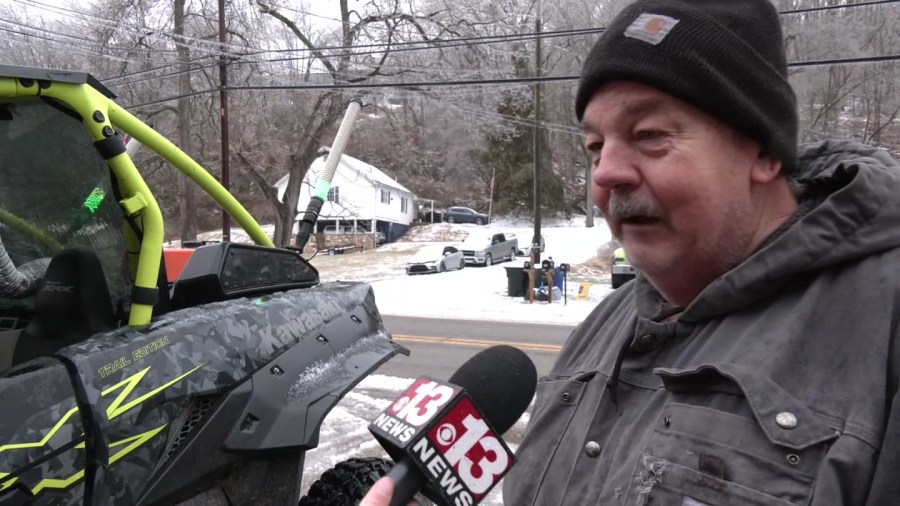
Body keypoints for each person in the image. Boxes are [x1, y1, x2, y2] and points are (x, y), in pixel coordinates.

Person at [361, 0, 900, 504]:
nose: (605, 173)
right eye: (594, 145)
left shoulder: (884, 323)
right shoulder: (608, 322)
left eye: (649, 134)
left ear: (762, 151)